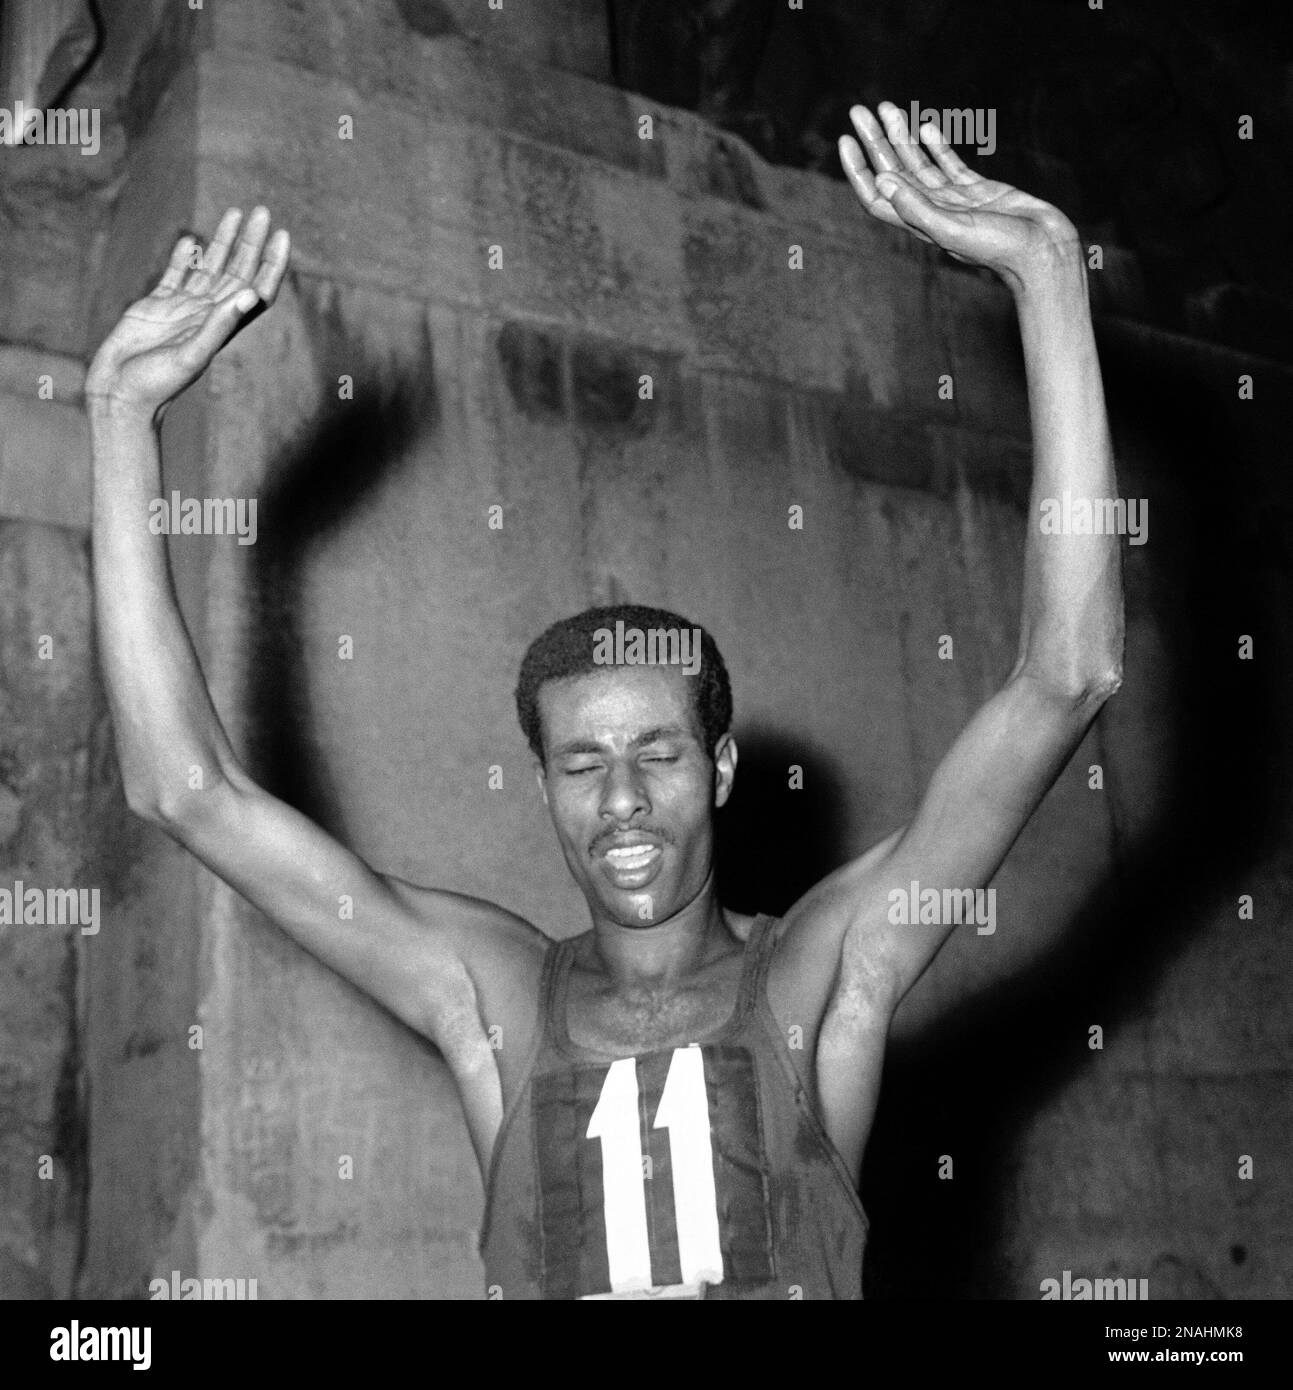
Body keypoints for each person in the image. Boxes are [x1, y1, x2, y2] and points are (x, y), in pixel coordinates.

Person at [85, 102, 1124, 1299]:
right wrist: (119, 417)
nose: (621, 800)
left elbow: (1068, 673)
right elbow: (182, 788)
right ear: (539, 782)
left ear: (723, 767)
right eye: (580, 764)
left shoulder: (821, 975)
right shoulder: (491, 998)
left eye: (657, 755)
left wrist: (1049, 278)